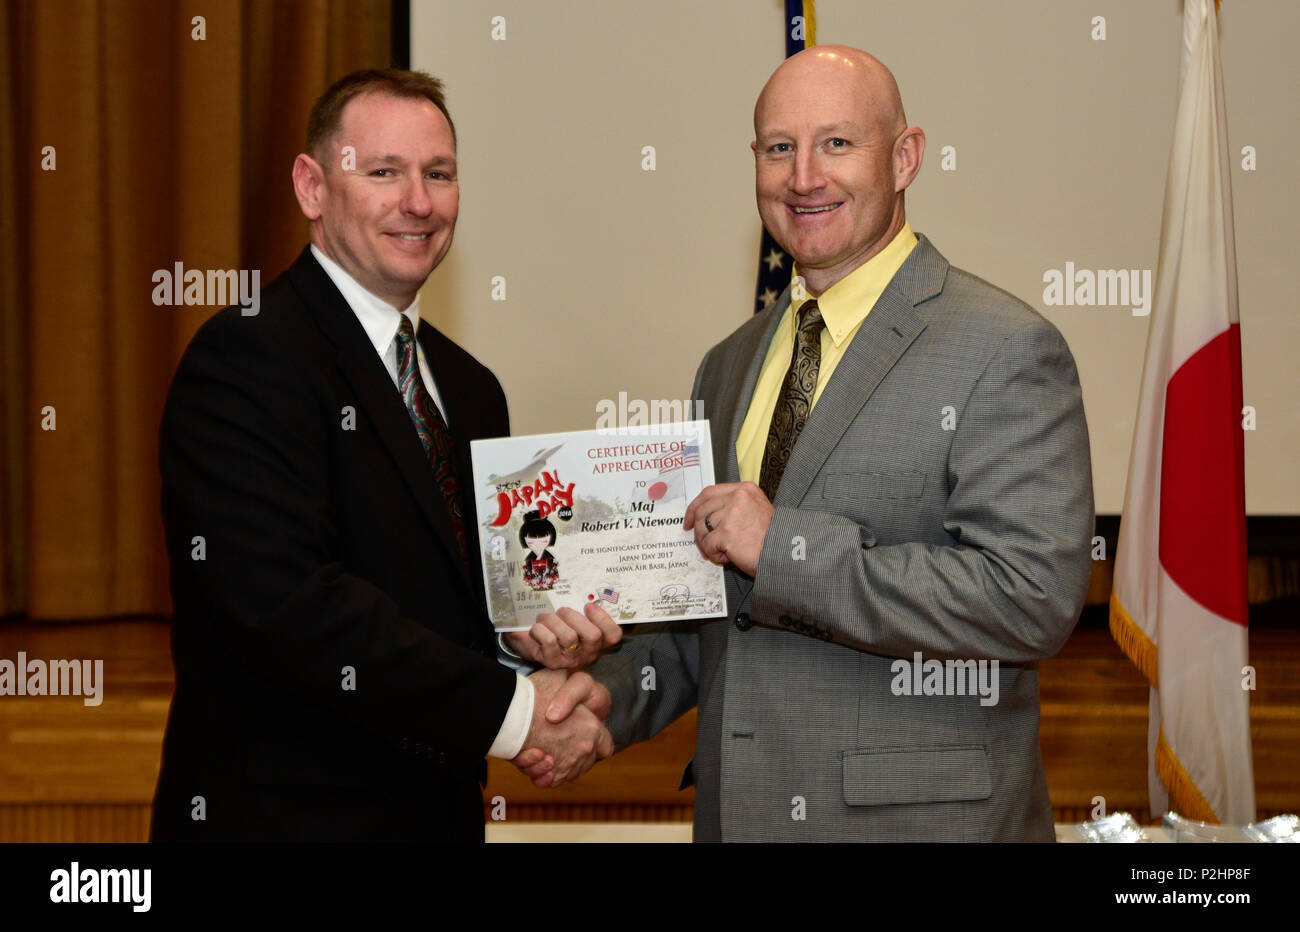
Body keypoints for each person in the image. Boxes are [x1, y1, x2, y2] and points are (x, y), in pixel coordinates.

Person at [514, 46, 1094, 841]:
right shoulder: (729, 364)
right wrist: (614, 696)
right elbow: (718, 608)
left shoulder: (1004, 348)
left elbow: (1029, 598)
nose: (804, 178)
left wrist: (781, 544)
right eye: (779, 148)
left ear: (905, 158)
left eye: (837, 144)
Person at [151, 69, 620, 842]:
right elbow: (293, 609)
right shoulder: (245, 356)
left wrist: (528, 636)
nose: (420, 202)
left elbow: (452, 598)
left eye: (439, 174)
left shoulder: (470, 389)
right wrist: (516, 714)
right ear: (311, 186)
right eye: (384, 173)